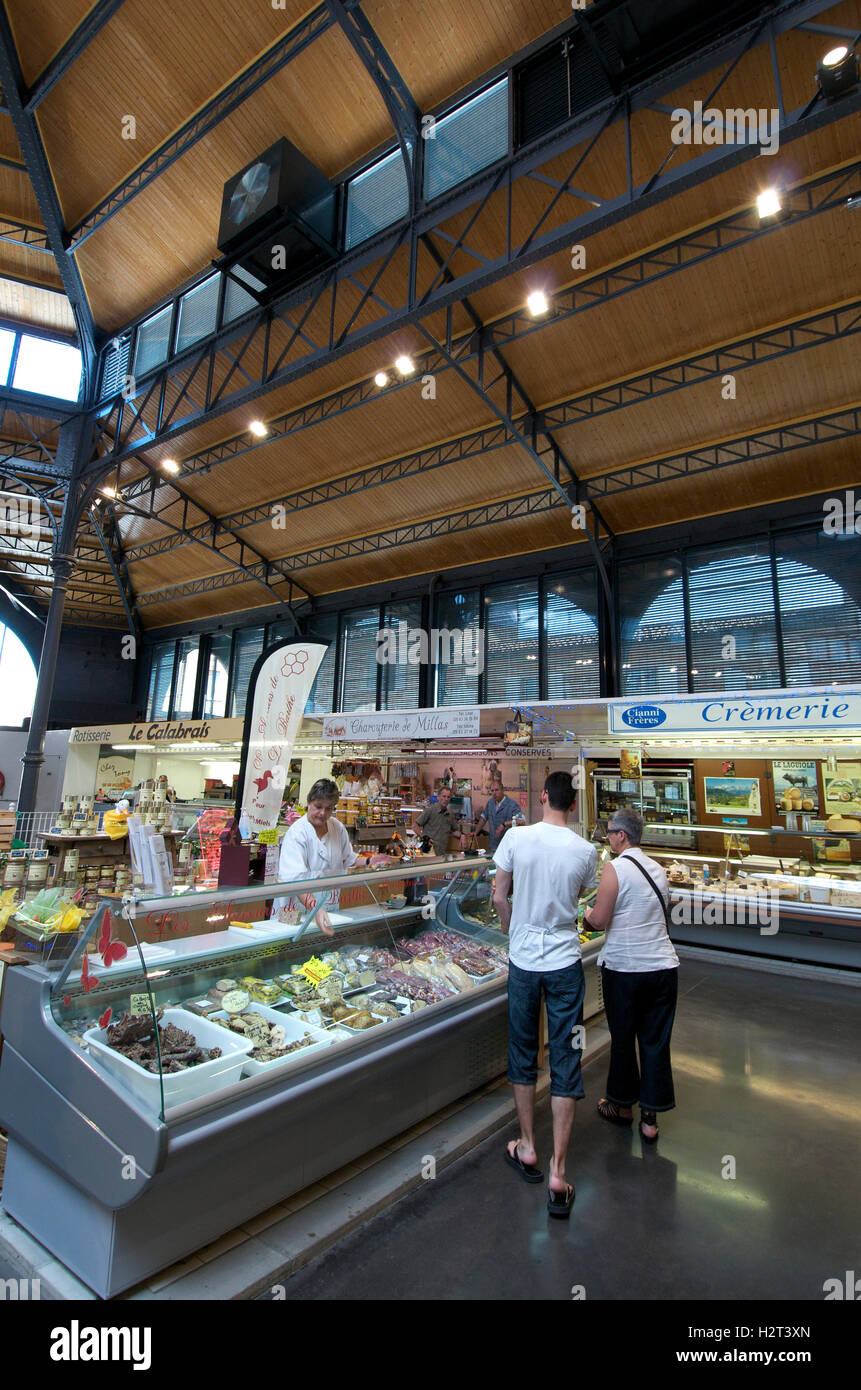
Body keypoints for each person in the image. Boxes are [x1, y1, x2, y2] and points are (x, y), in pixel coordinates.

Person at [493, 771, 598, 1218]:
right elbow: (579, 900)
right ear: (572, 805)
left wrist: (510, 929)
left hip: (523, 963)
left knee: (522, 1052)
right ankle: (558, 1172)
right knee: (565, 1057)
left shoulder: (516, 839)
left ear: (541, 798)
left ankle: (528, 1147)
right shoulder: (587, 850)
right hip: (564, 963)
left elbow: (499, 896)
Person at [583, 808, 680, 1143]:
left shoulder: (616, 868)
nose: (607, 837)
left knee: (623, 1038)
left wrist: (585, 913)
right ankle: (650, 1120)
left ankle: (622, 1107)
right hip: (664, 968)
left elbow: (599, 919)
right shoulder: (658, 869)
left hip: (626, 968)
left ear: (621, 836)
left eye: (609, 832)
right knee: (654, 1041)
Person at [271, 778, 360, 936]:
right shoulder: (297, 834)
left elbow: (350, 859)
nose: (322, 813)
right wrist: (315, 909)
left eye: (328, 809)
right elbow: (296, 880)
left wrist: (371, 861)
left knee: (323, 951)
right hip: (294, 915)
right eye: (318, 807)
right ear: (309, 802)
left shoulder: (337, 828)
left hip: (328, 910)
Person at [474, 778, 522, 855]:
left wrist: (504, 824)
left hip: (507, 848)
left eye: (497, 790)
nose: (494, 793)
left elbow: (521, 821)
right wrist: (475, 832)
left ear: (503, 790)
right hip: (492, 847)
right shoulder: (490, 803)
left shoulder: (512, 805)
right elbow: (483, 818)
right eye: (492, 791)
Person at [415, 784, 461, 856]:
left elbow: (454, 830)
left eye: (448, 797)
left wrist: (463, 836)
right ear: (438, 797)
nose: (446, 799)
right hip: (428, 853)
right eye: (444, 796)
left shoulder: (450, 815)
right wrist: (423, 837)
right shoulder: (430, 810)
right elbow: (415, 826)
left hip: (441, 853)